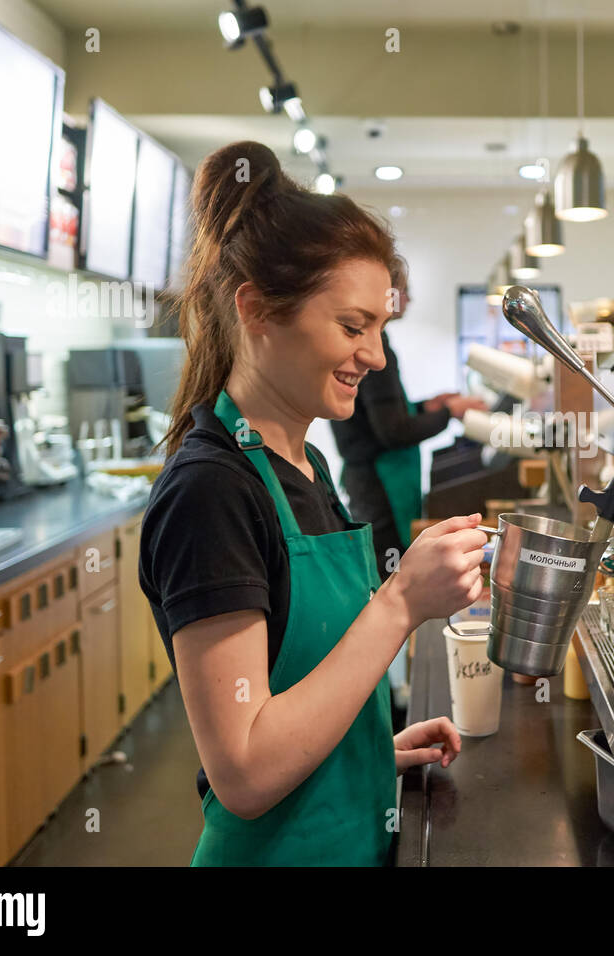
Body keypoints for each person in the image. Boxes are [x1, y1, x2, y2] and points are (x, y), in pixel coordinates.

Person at [139, 141, 488, 866]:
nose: (377, 356)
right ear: (258, 310)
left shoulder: (305, 464)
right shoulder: (212, 492)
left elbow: (290, 694)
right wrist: (399, 603)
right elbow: (243, 770)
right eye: (353, 326)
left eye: (381, 329)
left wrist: (369, 752)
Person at [330, 283, 486, 582]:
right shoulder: (377, 349)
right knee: (389, 575)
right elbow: (393, 430)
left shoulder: (375, 343)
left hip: (375, 480)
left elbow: (384, 415)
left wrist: (427, 407)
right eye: (404, 289)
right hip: (380, 484)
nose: (411, 298)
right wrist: (449, 412)